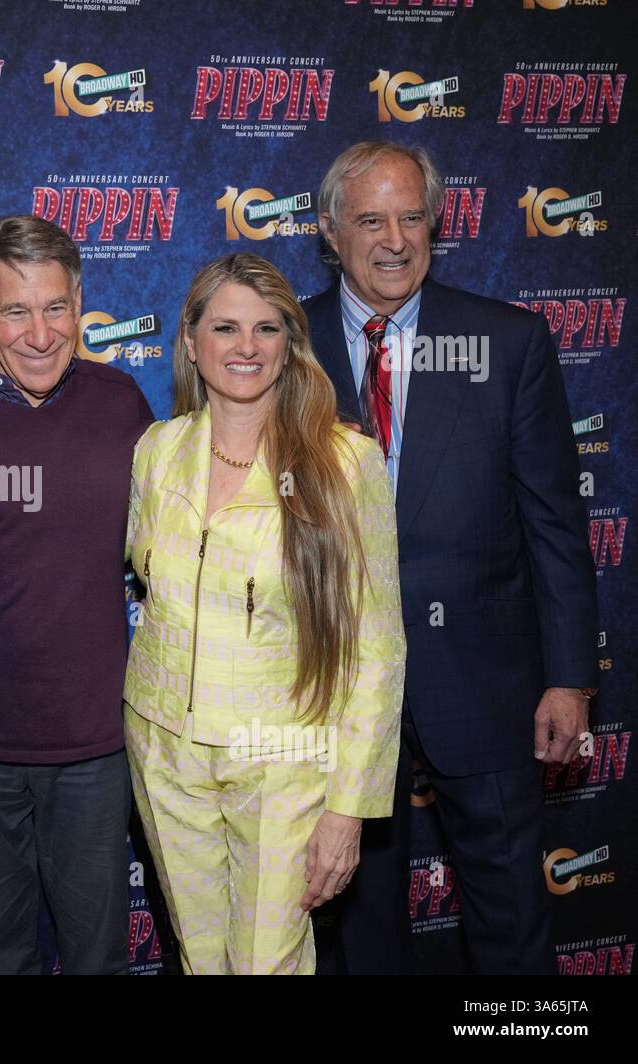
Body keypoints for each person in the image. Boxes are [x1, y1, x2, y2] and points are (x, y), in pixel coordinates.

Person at [306, 141, 599, 975]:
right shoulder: (281, 341)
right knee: (360, 935)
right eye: (371, 220)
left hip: (486, 684)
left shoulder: (509, 341)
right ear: (330, 229)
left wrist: (569, 679)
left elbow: (555, 523)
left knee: (512, 925)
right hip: (335, 696)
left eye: (412, 217)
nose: (395, 240)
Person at [123, 252, 405, 975]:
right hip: (164, 750)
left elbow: (377, 649)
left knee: (266, 964)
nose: (245, 346)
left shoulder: (344, 463)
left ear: (290, 344)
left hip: (283, 761)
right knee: (200, 958)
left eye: (266, 328)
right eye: (225, 328)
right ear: (191, 342)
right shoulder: (157, 452)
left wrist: (349, 806)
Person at [0, 216, 154, 975]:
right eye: (16, 311)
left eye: (56, 308)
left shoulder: (121, 404)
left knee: (97, 959)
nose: (41, 334)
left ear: (79, 305)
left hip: (94, 746)